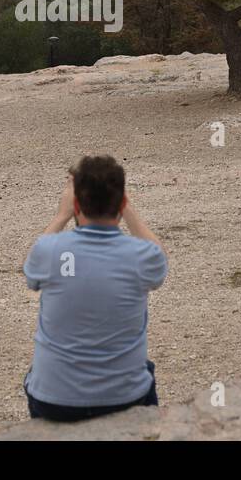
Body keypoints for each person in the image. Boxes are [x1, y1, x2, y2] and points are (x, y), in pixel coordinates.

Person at [21, 156, 168, 422]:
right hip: (124, 399)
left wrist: (61, 215)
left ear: (76, 203)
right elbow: (159, 256)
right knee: (146, 370)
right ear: (122, 203)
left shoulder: (49, 250)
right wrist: (129, 210)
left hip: (55, 400)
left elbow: (31, 272)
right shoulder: (142, 256)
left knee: (37, 375)